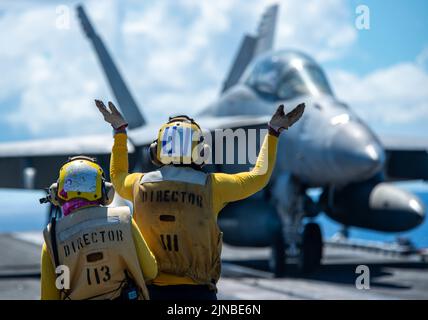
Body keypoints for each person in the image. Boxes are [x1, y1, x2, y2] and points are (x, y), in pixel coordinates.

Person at [95, 99, 304, 300]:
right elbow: (259, 176)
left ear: (156, 151)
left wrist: (120, 131)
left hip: (150, 291)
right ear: (201, 153)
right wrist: (273, 133)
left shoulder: (138, 184)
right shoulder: (212, 186)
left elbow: (117, 175)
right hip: (199, 292)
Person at [40, 156, 157, 300]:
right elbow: (151, 271)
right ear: (105, 191)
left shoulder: (52, 238)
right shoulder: (124, 219)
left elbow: (49, 297)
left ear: (57, 194)